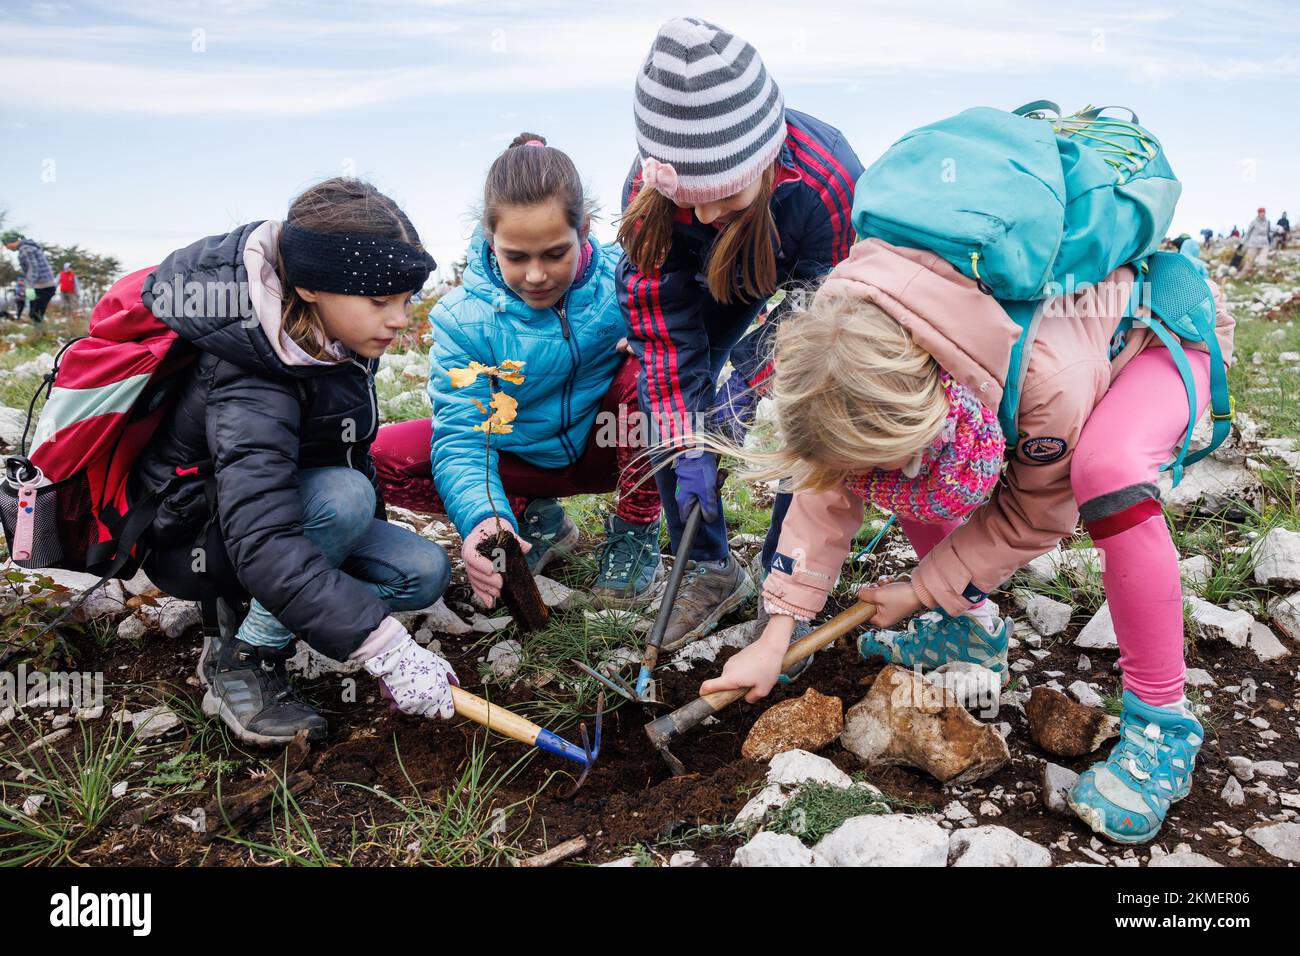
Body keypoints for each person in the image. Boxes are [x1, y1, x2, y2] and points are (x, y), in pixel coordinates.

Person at [701, 237, 1234, 845]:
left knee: (1107, 474)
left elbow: (1034, 515)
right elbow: (827, 489)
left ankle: (1161, 725)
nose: (869, 485)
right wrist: (779, 631)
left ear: (931, 409)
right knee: (911, 475)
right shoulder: (847, 345)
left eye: (882, 462)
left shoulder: (1046, 382)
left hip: (1155, 340)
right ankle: (970, 631)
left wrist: (923, 588)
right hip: (1005, 380)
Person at [131, 178, 455, 745]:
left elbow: (344, 452)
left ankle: (279, 607)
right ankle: (244, 654)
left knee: (422, 571)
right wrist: (382, 646)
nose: (400, 318)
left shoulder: (337, 338)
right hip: (200, 537)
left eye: (405, 300)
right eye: (381, 301)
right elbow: (261, 533)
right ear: (309, 286)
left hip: (284, 516)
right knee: (343, 499)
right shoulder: (250, 371)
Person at [616, 17, 865, 649]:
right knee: (671, 411)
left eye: (721, 195)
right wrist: (689, 430)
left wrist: (748, 386)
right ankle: (705, 565)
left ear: (766, 160)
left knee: (818, 402)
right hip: (702, 288)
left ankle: (791, 577)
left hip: (806, 290)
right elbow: (662, 333)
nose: (702, 215)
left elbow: (826, 314)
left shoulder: (826, 181)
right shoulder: (649, 200)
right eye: (689, 201)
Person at [373, 134, 664, 609]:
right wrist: (484, 518)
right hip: (522, 461)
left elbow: (697, 335)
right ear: (491, 241)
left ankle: (634, 529)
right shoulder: (465, 320)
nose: (535, 275)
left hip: (607, 450)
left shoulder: (627, 282)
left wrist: (658, 333)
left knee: (652, 367)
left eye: (554, 254)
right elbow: (464, 438)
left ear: (585, 229)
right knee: (384, 457)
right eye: (516, 256)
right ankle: (535, 519)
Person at [2, 230, 57, 323]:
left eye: (6, 245)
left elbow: (33, 267)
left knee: (36, 314)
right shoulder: (29, 247)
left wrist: (29, 286)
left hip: (43, 286)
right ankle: (39, 333)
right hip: (42, 285)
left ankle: (40, 334)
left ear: (11, 241)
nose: (7, 248)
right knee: (34, 314)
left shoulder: (25, 249)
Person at [1239, 207, 1271, 274]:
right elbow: (1248, 233)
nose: (1262, 214)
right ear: (1258, 213)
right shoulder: (1254, 222)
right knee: (1249, 261)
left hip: (1264, 244)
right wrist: (1242, 242)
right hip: (1253, 244)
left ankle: (1262, 275)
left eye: (1263, 212)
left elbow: (1269, 233)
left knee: (1263, 261)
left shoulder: (1267, 222)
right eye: (1261, 212)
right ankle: (1244, 273)